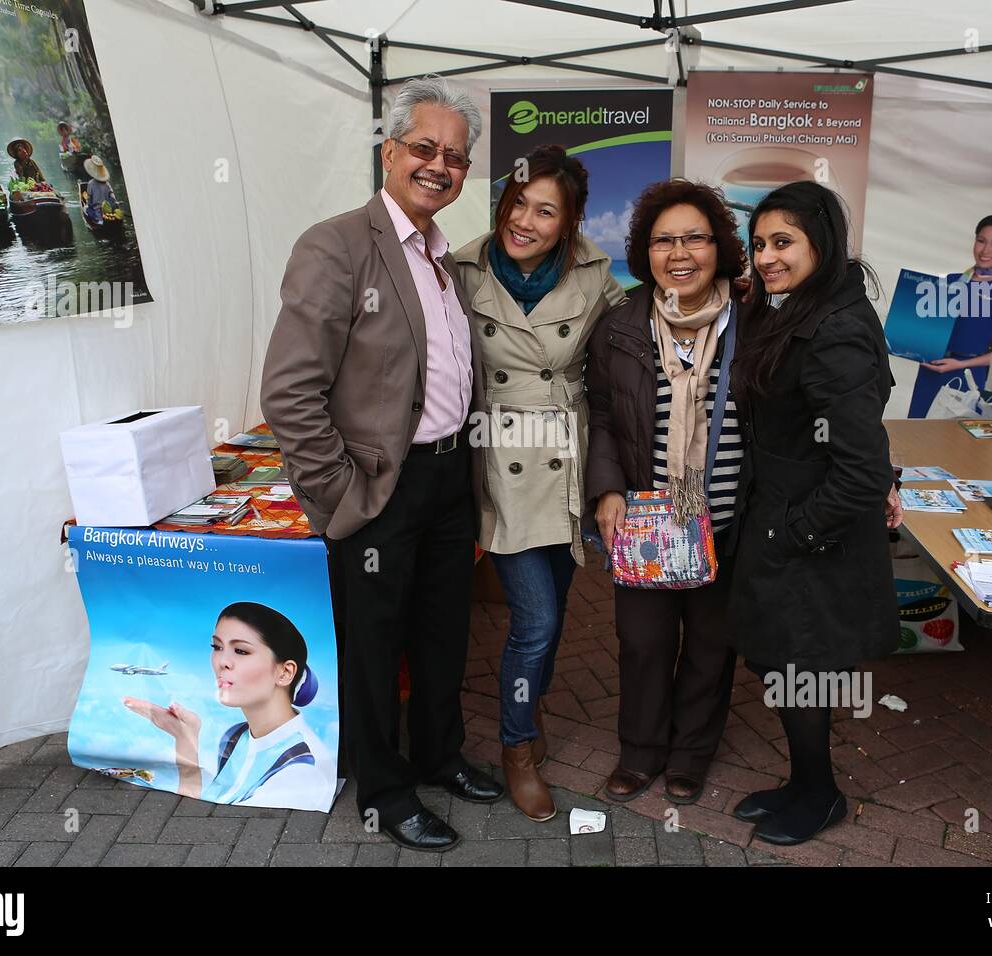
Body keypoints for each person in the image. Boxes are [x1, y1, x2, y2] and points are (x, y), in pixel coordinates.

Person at [261, 75, 502, 853]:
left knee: (442, 633)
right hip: (378, 491)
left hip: (445, 478)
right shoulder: (334, 245)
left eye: (455, 157)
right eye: (425, 149)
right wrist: (338, 498)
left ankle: (439, 755)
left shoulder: (442, 256)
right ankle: (387, 790)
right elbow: (290, 390)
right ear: (389, 151)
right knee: (372, 648)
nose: (439, 165)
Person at [726, 181, 901, 845]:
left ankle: (820, 793)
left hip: (809, 532)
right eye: (760, 243)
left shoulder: (834, 331)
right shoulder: (808, 306)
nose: (767, 256)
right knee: (788, 666)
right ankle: (803, 783)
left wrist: (791, 531)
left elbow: (860, 468)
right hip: (787, 515)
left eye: (783, 242)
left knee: (799, 667)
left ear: (819, 243)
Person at [454, 145, 625, 821]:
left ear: (570, 220)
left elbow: (635, 341)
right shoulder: (459, 270)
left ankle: (529, 708)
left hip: (567, 464)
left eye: (544, 210)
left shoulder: (594, 276)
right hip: (500, 461)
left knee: (548, 621)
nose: (524, 220)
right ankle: (517, 746)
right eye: (517, 203)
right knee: (537, 621)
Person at [585, 180, 749, 805]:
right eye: (663, 241)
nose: (679, 253)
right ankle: (640, 752)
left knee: (711, 646)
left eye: (694, 239)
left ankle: (691, 755)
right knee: (644, 642)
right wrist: (606, 490)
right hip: (648, 523)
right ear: (644, 251)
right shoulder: (622, 324)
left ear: (719, 247)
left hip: (730, 518)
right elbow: (601, 413)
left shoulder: (753, 318)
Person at [123, 602, 334, 810]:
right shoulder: (236, 736)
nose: (222, 661)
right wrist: (185, 739)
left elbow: (213, 826)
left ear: (285, 673)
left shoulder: (301, 770)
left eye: (241, 651)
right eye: (217, 647)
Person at [907, 214, 992, 417]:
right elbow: (922, 332)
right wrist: (916, 349)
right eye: (981, 241)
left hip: (968, 376)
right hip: (930, 372)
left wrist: (960, 364)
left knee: (957, 442)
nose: (986, 250)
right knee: (918, 437)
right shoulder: (949, 282)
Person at [82, 155, 118, 224]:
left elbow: (89, 201)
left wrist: (91, 204)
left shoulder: (90, 184)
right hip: (107, 213)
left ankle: (99, 221)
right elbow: (112, 198)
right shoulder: (107, 184)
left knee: (86, 208)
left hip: (97, 213)